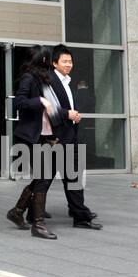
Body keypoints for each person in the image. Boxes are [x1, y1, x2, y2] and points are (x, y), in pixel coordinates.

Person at [6, 45, 64, 239]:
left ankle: (17, 211)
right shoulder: (29, 78)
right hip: (30, 137)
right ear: (44, 60)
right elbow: (19, 102)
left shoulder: (42, 79)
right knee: (43, 177)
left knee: (43, 177)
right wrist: (39, 101)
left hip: (43, 136)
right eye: (48, 59)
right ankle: (37, 224)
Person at [50, 45, 101, 229]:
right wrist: (67, 114)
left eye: (70, 61)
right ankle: (29, 210)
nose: (68, 64)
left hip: (70, 134)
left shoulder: (67, 81)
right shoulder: (50, 81)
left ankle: (79, 213)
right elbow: (48, 109)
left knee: (73, 176)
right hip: (55, 137)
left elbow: (68, 107)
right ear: (54, 63)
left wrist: (74, 116)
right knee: (44, 178)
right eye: (64, 61)